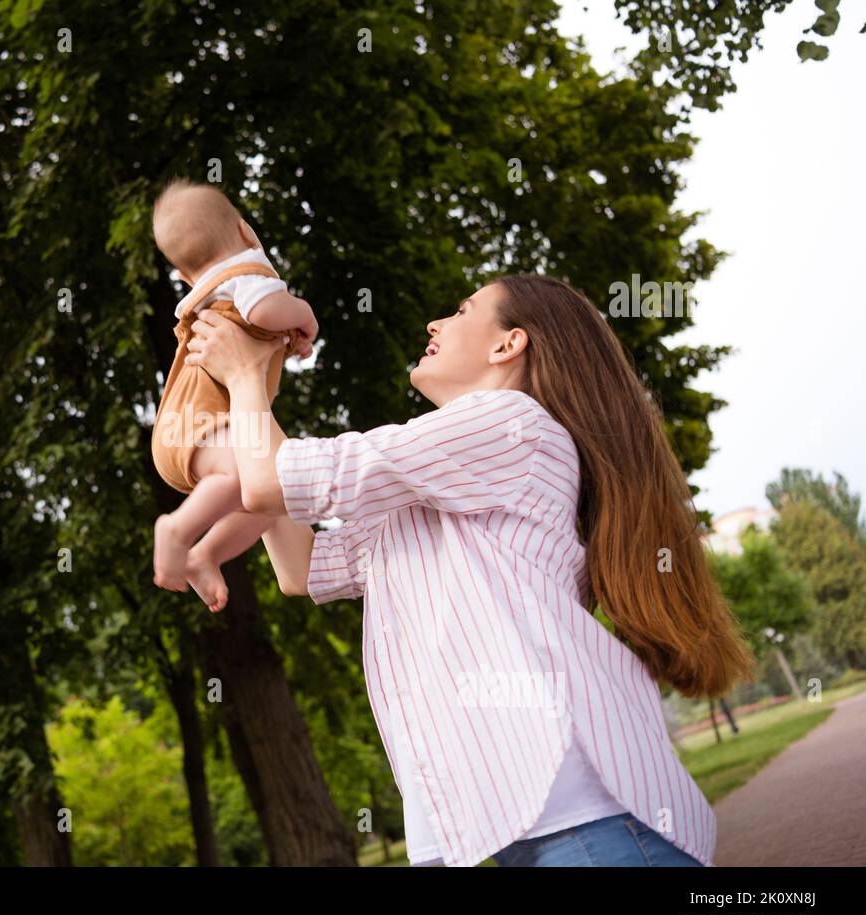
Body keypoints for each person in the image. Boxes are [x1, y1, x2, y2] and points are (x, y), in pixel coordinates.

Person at [180, 273, 756, 867]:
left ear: (508, 345)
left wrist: (245, 376)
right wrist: (254, 393)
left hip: (583, 823)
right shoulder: (433, 485)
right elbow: (302, 566)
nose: (435, 323)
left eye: (460, 311)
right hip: (548, 826)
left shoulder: (509, 422)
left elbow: (277, 481)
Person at [149, 179, 317, 612]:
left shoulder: (211, 292)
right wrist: (303, 313)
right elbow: (265, 309)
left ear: (185, 278)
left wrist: (286, 337)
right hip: (201, 426)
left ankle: (205, 554)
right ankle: (177, 530)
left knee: (270, 493)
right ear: (246, 232)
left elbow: (260, 321)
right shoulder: (248, 271)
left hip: (184, 431)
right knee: (246, 478)